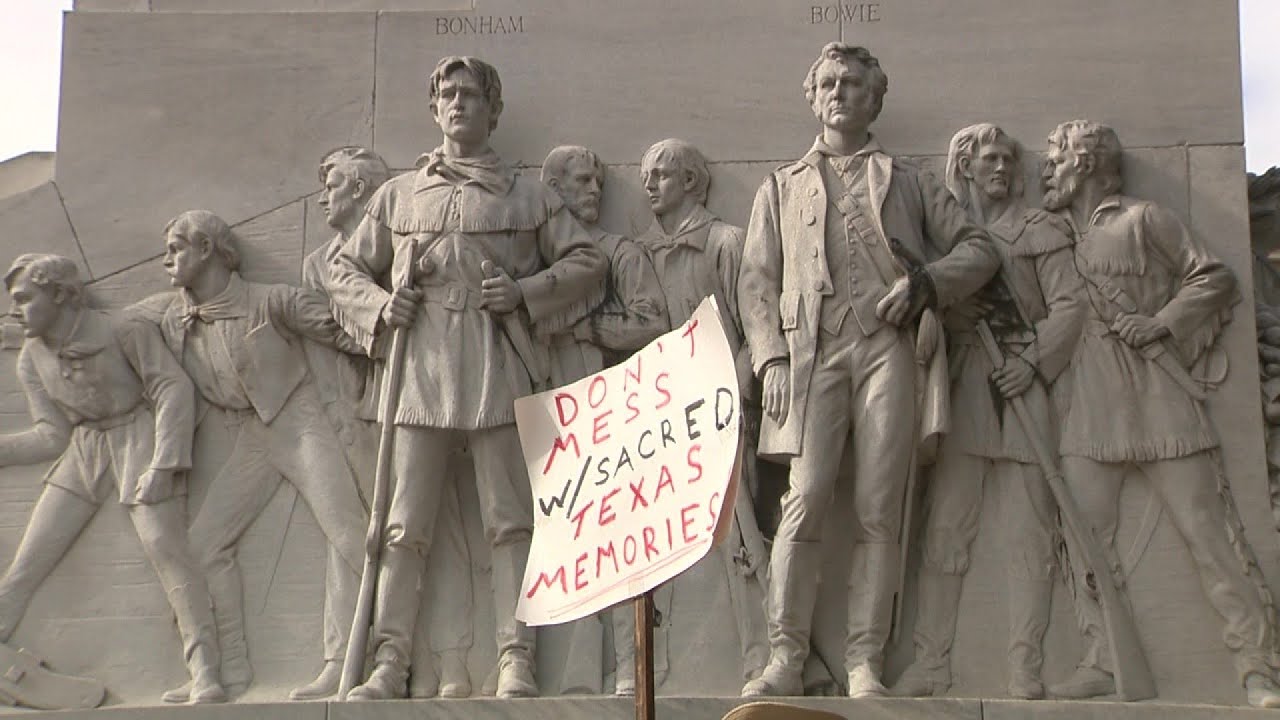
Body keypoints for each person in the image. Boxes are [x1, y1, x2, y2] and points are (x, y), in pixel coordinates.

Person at [326, 55, 607, 700]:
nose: (458, 104)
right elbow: (343, 271)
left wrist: (525, 290)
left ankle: (517, 657)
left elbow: (588, 259)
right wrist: (378, 305)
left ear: (493, 109)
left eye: (471, 94)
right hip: (418, 372)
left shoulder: (527, 193)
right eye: (447, 94)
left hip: (494, 363)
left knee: (509, 521)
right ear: (434, 108)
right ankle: (389, 662)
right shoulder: (397, 195)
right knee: (402, 525)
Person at [737, 42, 999, 698]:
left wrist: (928, 285)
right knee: (804, 501)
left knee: (880, 509)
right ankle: (785, 655)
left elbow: (981, 250)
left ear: (873, 97)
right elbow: (756, 279)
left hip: (887, 349)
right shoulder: (781, 184)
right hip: (810, 353)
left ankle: (864, 660)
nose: (839, 92)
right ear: (813, 94)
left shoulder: (905, 180)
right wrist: (768, 355)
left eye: (853, 83)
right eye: (828, 81)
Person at [1041, 119, 1280, 708]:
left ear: (1088, 162)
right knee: (1083, 540)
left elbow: (1214, 277)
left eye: (1056, 158)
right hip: (1089, 411)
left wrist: (1161, 322)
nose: (1047, 169)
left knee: (1211, 536)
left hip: (1160, 401)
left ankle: (1258, 666)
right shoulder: (1046, 237)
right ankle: (1102, 657)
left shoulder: (1144, 219)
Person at [892, 123, 1084, 699]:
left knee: (1031, 537)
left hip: (1024, 386)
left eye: (1007, 158)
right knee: (946, 530)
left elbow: (1069, 307)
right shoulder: (945, 246)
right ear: (965, 168)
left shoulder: (1040, 228)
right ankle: (931, 663)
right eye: (987, 159)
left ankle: (1025, 665)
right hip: (968, 388)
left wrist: (1033, 363)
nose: (1000, 167)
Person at [145, 209, 369, 703]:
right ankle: (234, 669)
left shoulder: (273, 301)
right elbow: (116, 328)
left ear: (207, 248)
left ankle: (364, 659)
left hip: (299, 420)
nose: (167, 261)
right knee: (204, 547)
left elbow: (349, 334)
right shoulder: (173, 318)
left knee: (349, 534)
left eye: (176, 248)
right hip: (252, 434)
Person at [0, 254, 224, 704]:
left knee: (166, 552)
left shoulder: (122, 329)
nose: (13, 311)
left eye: (24, 299)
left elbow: (171, 388)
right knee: (26, 565)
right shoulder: (31, 357)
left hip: (137, 438)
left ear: (60, 294)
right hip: (85, 449)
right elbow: (51, 435)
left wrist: (164, 464)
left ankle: (206, 674)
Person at [302, 146, 476, 699]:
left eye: (333, 183)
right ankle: (356, 657)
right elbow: (323, 319)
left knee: (432, 528)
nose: (324, 195)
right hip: (359, 406)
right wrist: (382, 310)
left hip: (419, 392)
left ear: (364, 190)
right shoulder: (322, 263)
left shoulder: (409, 232)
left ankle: (448, 661)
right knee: (373, 531)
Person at [634, 137, 771, 686]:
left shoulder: (726, 243)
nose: (649, 185)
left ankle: (763, 657)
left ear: (692, 181)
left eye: (661, 175)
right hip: (656, 422)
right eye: (645, 176)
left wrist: (733, 397)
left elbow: (753, 329)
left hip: (720, 412)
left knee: (741, 542)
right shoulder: (639, 252)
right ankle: (648, 669)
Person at [541, 144, 668, 696]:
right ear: (554, 190)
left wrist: (594, 330)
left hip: (611, 412)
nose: (594, 192)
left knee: (617, 544)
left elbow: (653, 321)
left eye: (598, 183)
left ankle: (627, 669)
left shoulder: (620, 252)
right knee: (563, 545)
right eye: (581, 182)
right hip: (551, 414)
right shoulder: (536, 261)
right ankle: (572, 676)